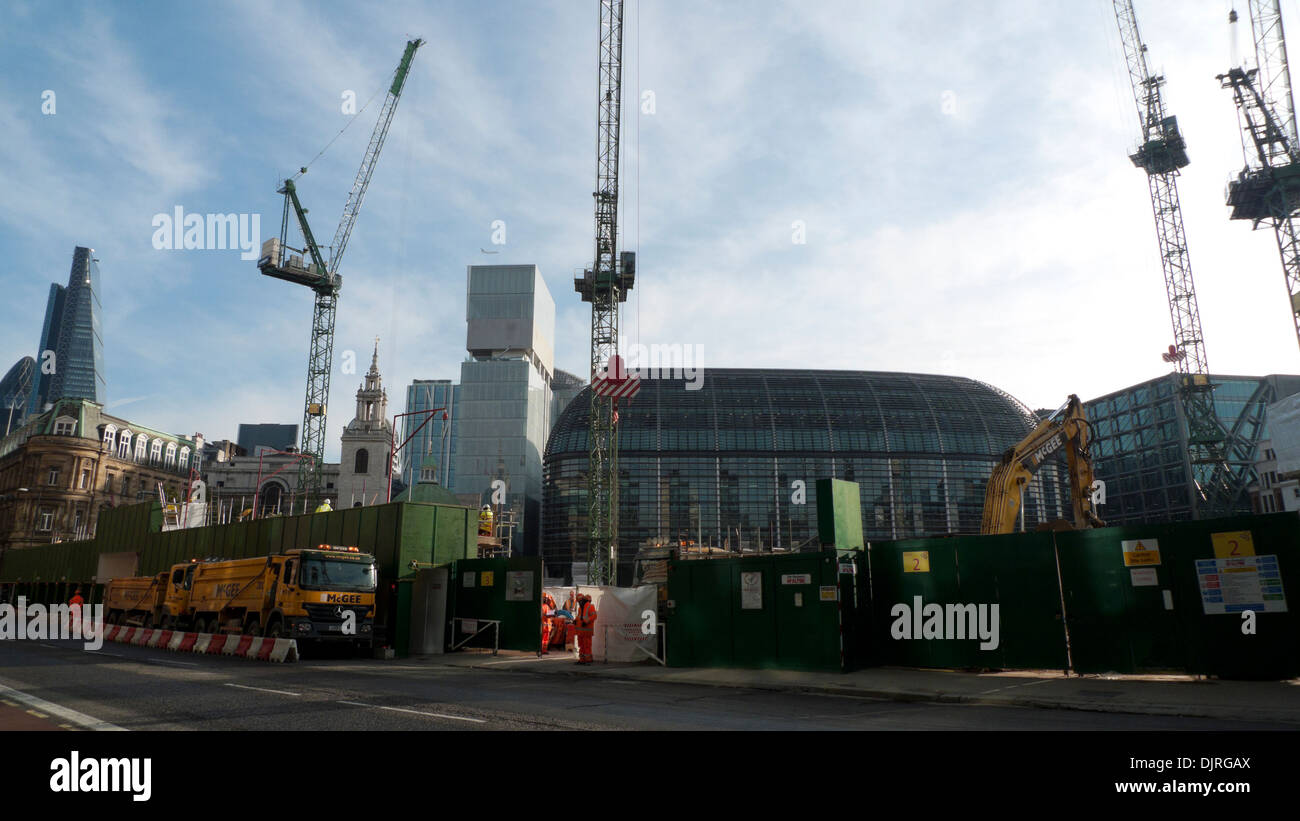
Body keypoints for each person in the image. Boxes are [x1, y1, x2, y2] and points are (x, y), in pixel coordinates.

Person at [574, 593, 597, 665]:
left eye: (580, 601)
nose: (579, 603)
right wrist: (575, 620)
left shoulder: (590, 606)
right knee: (581, 645)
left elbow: (594, 616)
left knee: (587, 645)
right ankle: (582, 659)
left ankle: (588, 659)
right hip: (580, 631)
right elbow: (579, 616)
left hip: (587, 630)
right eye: (578, 602)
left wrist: (586, 622)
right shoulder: (580, 608)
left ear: (583, 600)